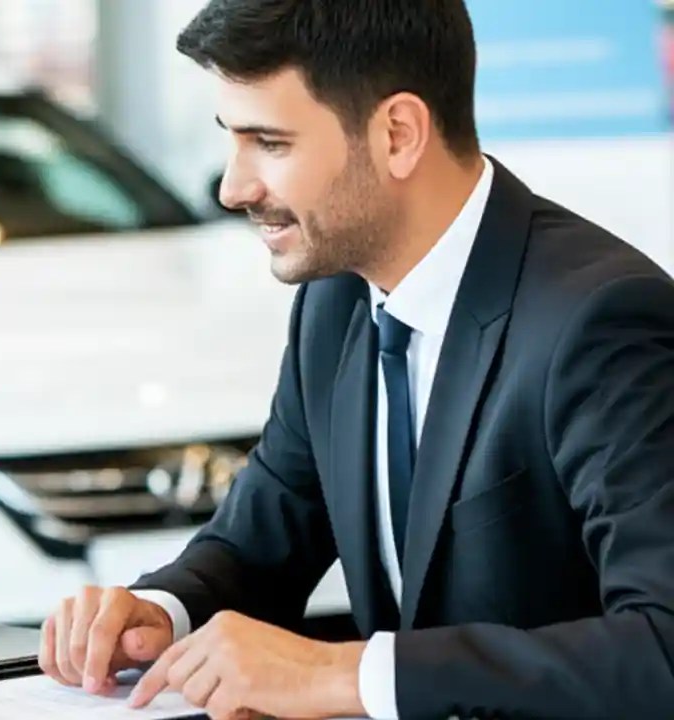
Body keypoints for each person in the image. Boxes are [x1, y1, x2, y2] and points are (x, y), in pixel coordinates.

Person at [39, 1, 674, 718]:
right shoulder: (335, 303)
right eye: (233, 141)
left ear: (398, 134)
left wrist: (345, 676)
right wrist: (163, 611)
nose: (232, 187)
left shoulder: (601, 320)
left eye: (270, 144)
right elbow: (261, 540)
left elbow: (664, 649)